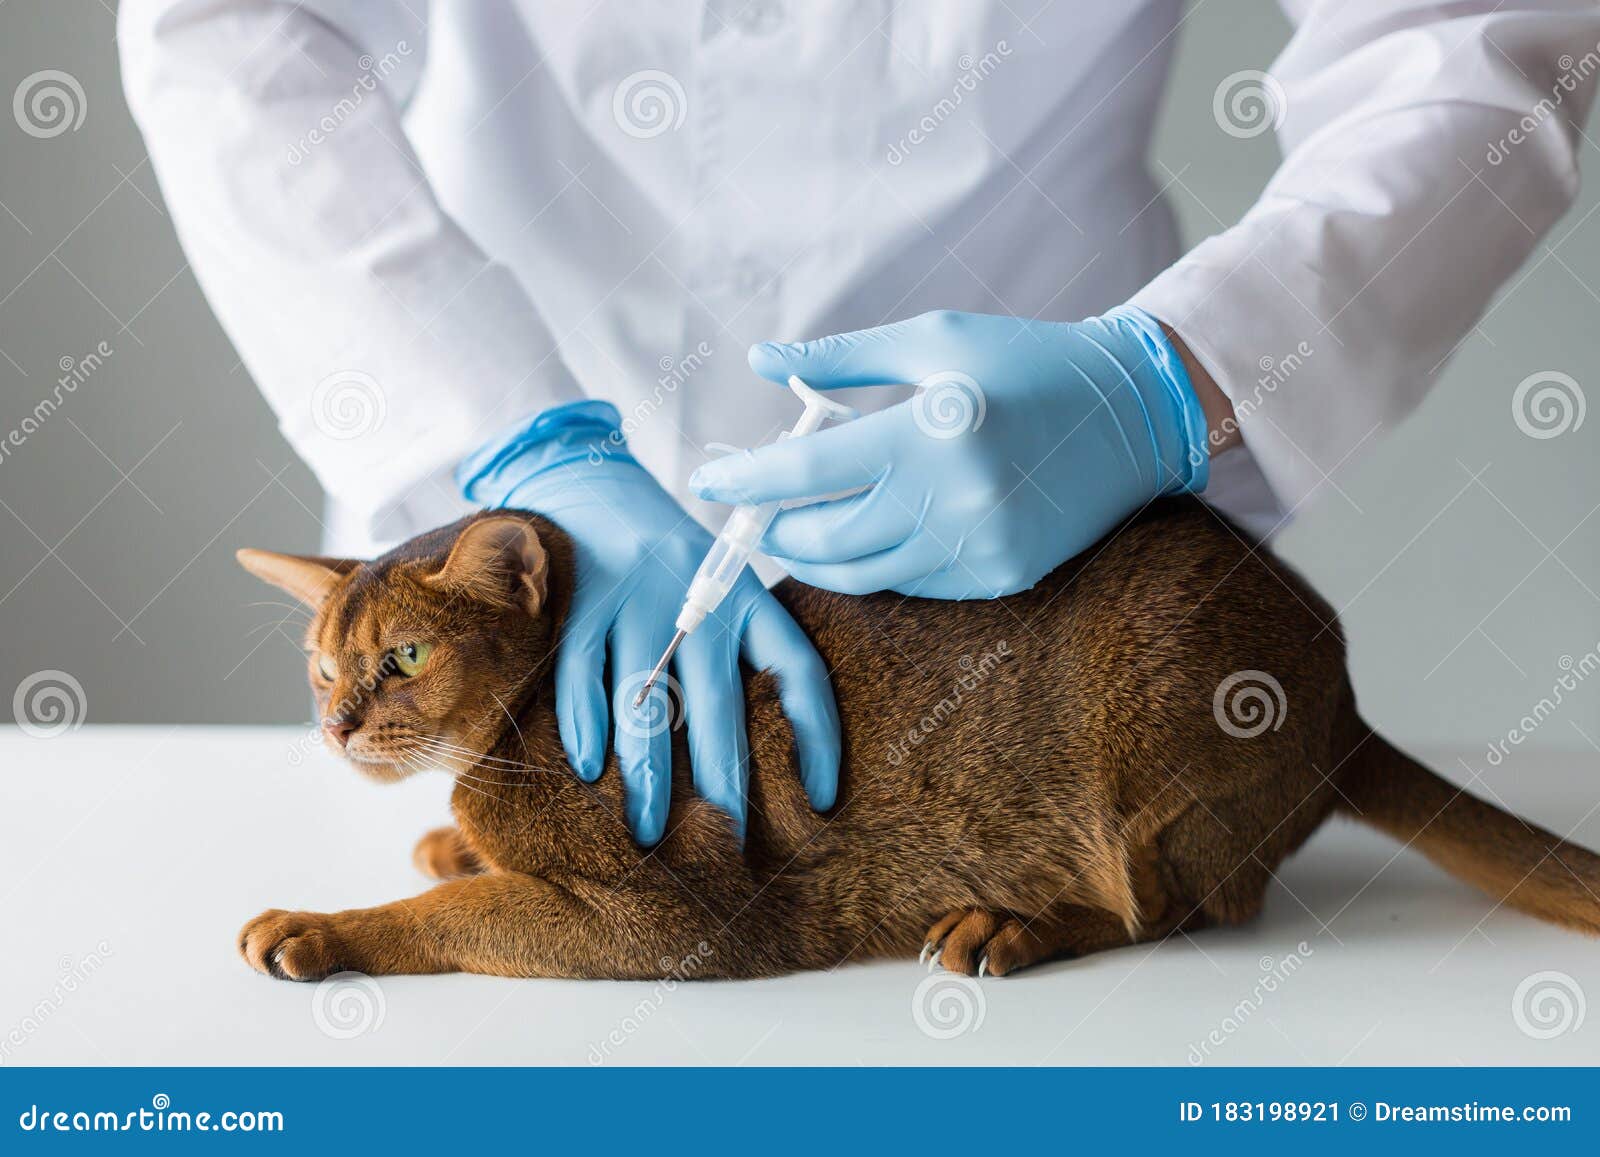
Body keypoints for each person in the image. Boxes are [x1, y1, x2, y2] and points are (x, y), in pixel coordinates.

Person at [121, 1, 1600, 845]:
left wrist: (1177, 373)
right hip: (506, 598)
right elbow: (223, 27)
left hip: (1035, 583)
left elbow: (1460, 41)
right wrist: (505, 448)